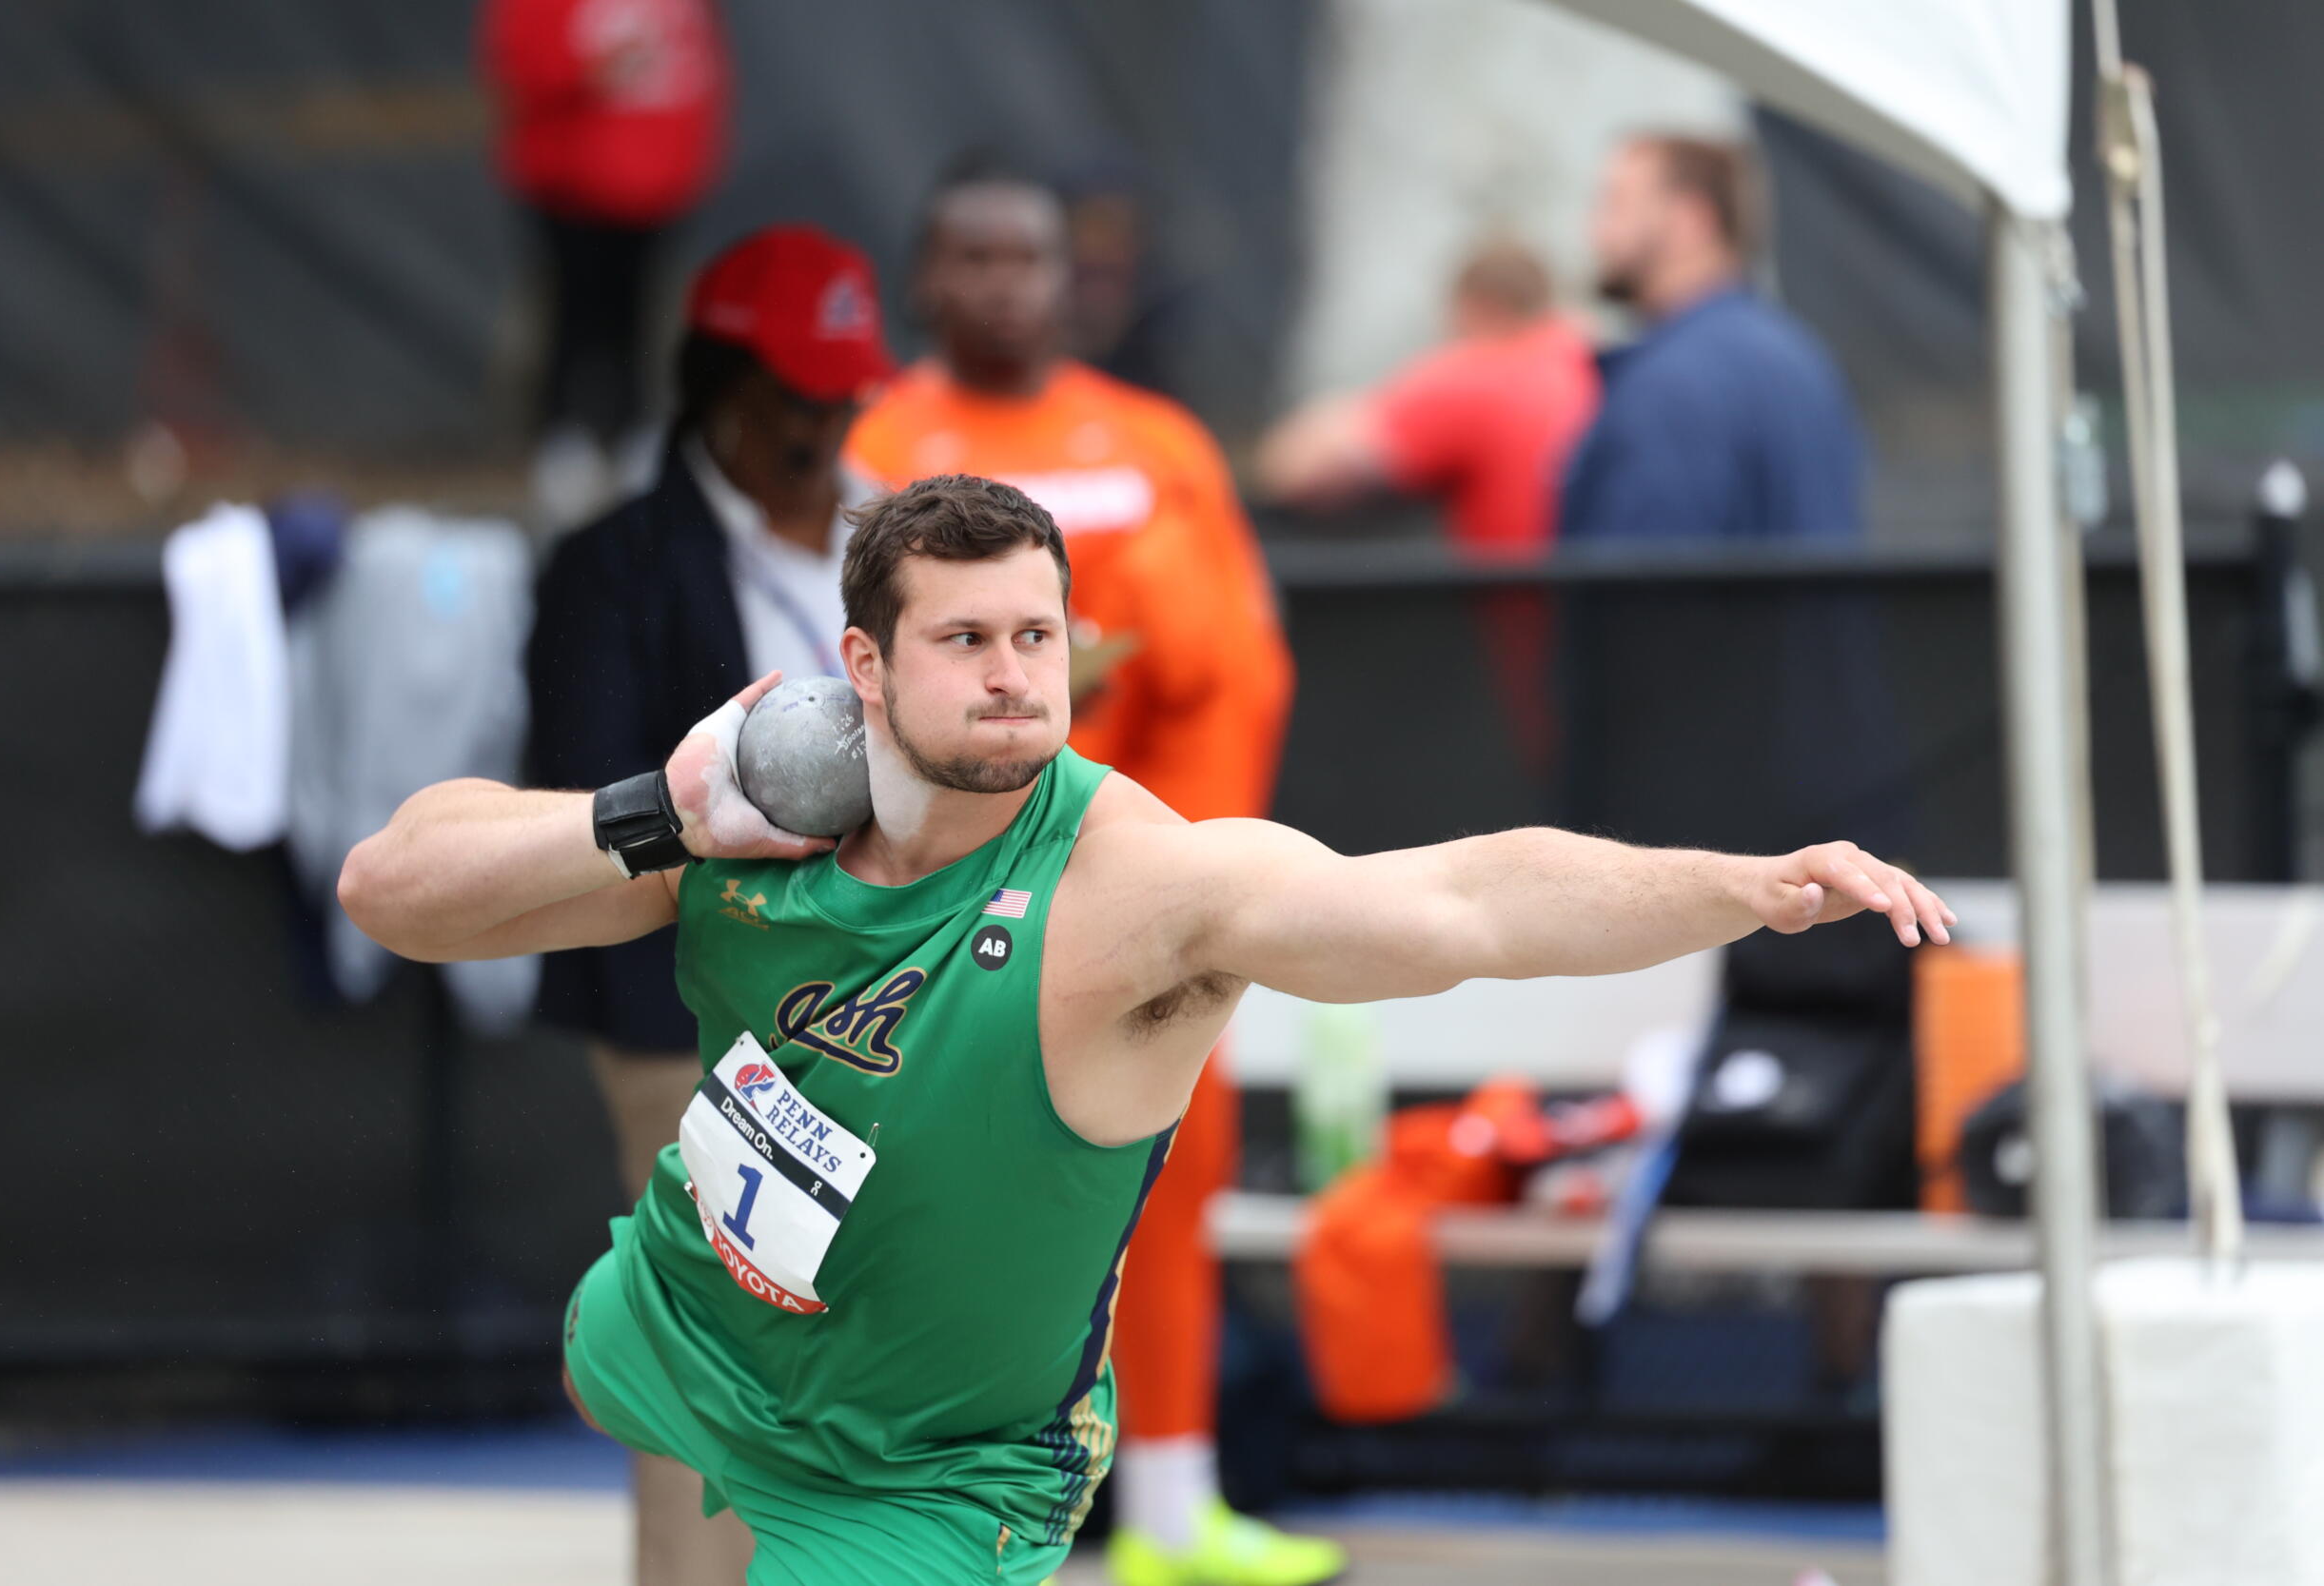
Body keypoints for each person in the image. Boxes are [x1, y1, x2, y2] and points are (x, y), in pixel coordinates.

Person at [338, 472, 1956, 1586]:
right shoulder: (755, 824)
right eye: (963, 641)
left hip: (925, 1476)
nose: (1011, 676)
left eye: (1035, 637)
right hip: (674, 1337)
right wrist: (658, 810)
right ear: (867, 669)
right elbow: (396, 885)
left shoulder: (1142, 894)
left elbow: (1468, 900)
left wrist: (1744, 885)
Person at [844, 160, 1315, 1586]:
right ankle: (911, 1495)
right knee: (923, 1197)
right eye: (971, 259)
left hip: (1133, 886)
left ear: (1071, 277)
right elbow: (843, 669)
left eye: (1026, 258)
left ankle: (1172, 1508)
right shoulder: (872, 440)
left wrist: (1196, 889)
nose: (1001, 285)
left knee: (1174, 1175)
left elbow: (1241, 665)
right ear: (927, 279)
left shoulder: (1159, 441)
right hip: (937, 905)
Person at [522, 223, 892, 1586]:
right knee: (707, 1349)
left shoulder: (897, 529)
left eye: (849, 389)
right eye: (804, 394)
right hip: (695, 1017)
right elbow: (594, 815)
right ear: (721, 391)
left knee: (862, 1346)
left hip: (887, 1011)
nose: (831, 421)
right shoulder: (615, 564)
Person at [480, 0, 733, 529]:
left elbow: (694, 73)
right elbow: (523, 65)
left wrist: (681, 165)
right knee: (574, 315)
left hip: (654, 185)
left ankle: (634, 443)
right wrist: (593, 69)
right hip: (568, 184)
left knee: (637, 317)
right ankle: (563, 443)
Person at [1562, 134, 1865, 543]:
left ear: (1691, 219)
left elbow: (1642, 588)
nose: (1597, 233)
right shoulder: (1800, 355)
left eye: (1615, 205)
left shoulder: (1670, 386)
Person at [1255, 237, 1599, 558]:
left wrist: (1356, 405)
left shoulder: (1478, 374)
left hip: (1532, 610)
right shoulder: (1589, 358)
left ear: (1475, 308)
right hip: (1599, 601)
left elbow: (1297, 471)